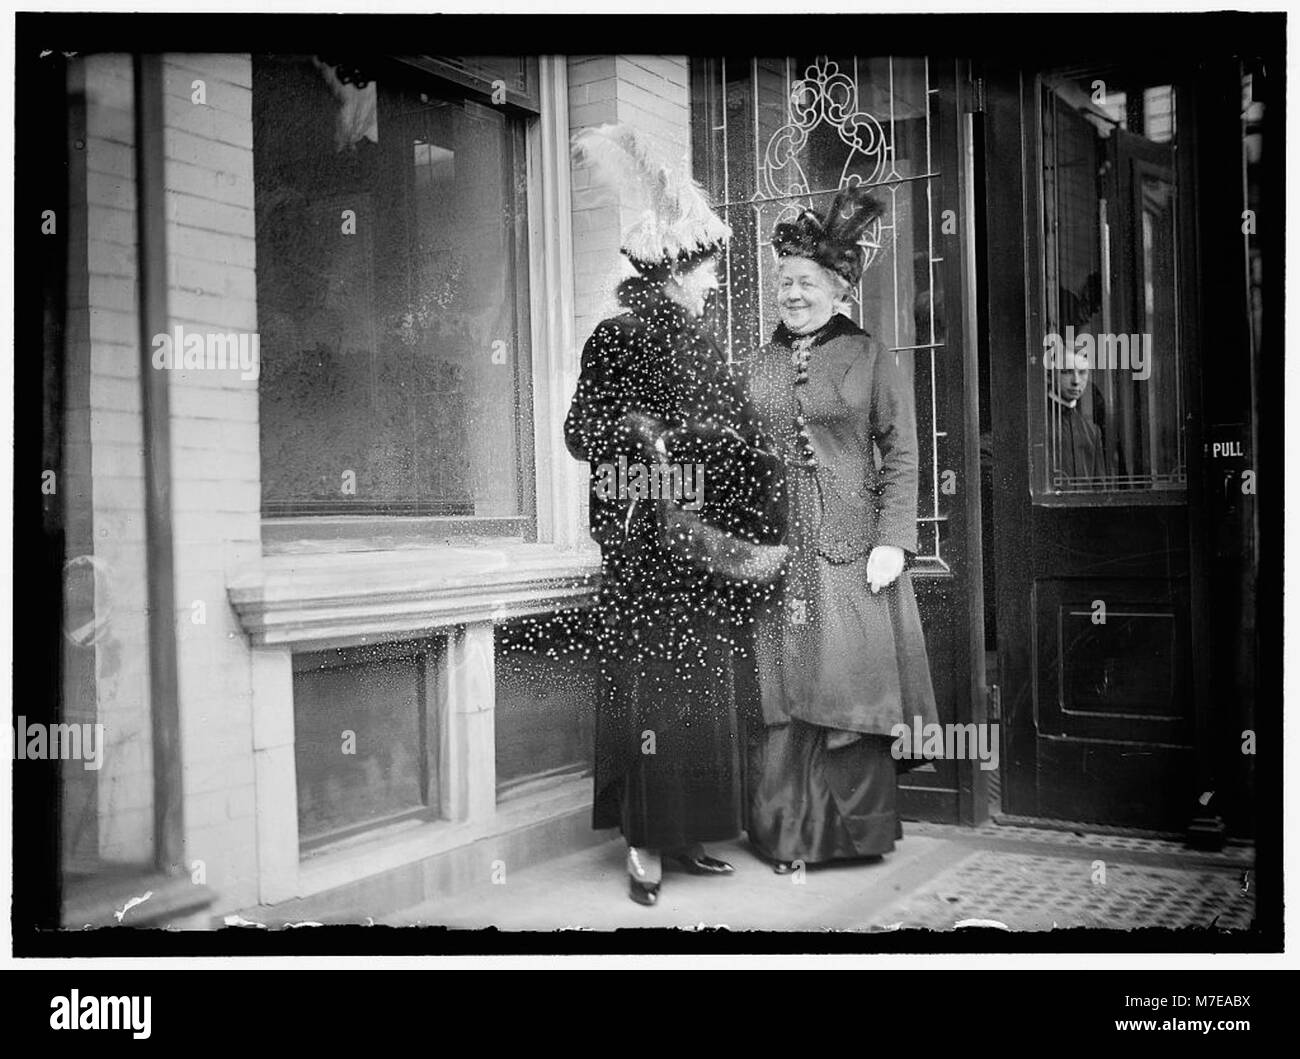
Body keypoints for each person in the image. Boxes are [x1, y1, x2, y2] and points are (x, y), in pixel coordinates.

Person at [564, 124, 787, 906]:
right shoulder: (616, 339)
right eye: (709, 271)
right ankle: (644, 848)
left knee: (700, 697)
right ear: (675, 271)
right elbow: (578, 433)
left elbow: (735, 438)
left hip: (702, 551)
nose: (716, 284)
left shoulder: (704, 345)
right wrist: (638, 434)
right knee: (654, 697)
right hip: (645, 555)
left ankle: (687, 831)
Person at [741, 187, 940, 872]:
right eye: (784, 282)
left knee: (845, 684)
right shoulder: (757, 363)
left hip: (851, 549)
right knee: (784, 690)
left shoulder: (869, 354)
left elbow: (903, 450)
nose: (792, 294)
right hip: (777, 551)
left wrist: (894, 537)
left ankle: (850, 836)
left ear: (836, 286)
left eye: (806, 282)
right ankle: (786, 836)